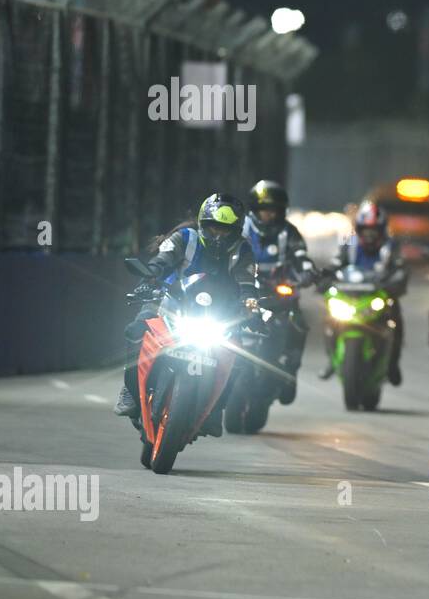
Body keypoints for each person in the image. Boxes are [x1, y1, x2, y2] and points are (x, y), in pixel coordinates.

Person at [113, 194, 255, 438]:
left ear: (236, 231)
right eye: (213, 227)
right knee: (137, 328)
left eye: (225, 230)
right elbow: (160, 261)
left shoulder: (242, 250)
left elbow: (247, 281)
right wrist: (149, 280)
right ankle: (130, 391)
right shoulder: (185, 238)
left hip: (218, 315)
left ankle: (214, 411)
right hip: (171, 302)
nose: (218, 235)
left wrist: (250, 304)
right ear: (202, 223)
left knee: (240, 357)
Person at [320, 201, 407, 385]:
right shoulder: (349, 244)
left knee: (396, 320)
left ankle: (392, 364)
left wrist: (395, 283)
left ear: (382, 229)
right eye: (365, 230)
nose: (369, 234)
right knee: (329, 318)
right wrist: (323, 277)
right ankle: (331, 360)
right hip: (349, 295)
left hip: (379, 294)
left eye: (374, 230)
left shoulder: (391, 247)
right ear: (358, 229)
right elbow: (335, 264)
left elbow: (401, 269)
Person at [243, 179, 314, 403]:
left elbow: (302, 257)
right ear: (255, 210)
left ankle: (290, 369)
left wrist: (307, 272)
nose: (270, 215)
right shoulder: (241, 228)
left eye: (274, 211)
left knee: (298, 323)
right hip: (245, 289)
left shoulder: (289, 232)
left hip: (280, 291)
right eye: (265, 210)